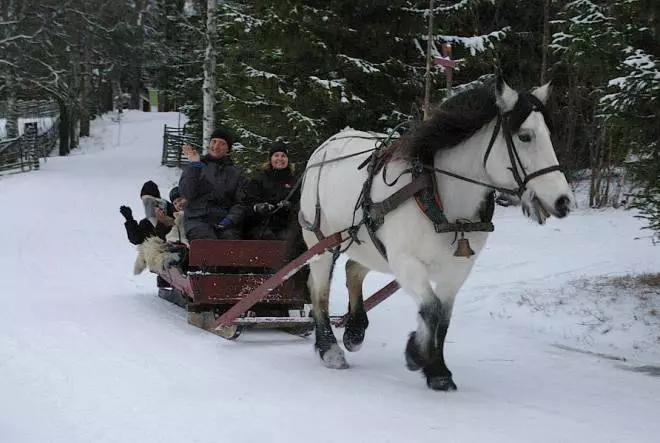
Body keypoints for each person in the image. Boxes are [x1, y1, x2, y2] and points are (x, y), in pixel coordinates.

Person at [178, 128, 248, 240]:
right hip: (197, 219)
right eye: (214, 141)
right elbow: (187, 192)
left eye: (222, 144)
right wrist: (194, 165)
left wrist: (229, 220)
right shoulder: (197, 165)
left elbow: (240, 202)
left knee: (231, 246)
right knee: (207, 244)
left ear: (228, 149)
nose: (216, 146)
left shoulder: (237, 173)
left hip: (224, 222)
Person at [245, 141, 299, 240]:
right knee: (267, 236)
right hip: (262, 225)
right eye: (276, 155)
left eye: (283, 156)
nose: (280, 159)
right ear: (270, 159)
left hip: (286, 226)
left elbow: (300, 204)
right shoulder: (258, 180)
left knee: (290, 238)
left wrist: (289, 207)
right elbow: (248, 204)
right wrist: (259, 207)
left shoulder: (294, 182)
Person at [119, 180, 173, 245]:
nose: (147, 204)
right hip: (156, 253)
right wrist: (129, 219)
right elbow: (136, 239)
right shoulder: (146, 222)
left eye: (149, 200)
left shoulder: (171, 211)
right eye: (144, 201)